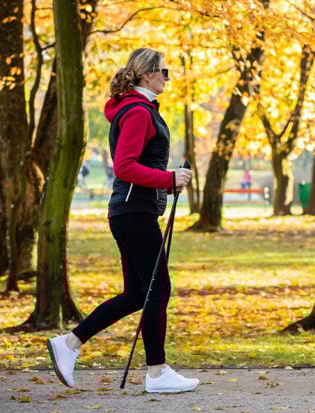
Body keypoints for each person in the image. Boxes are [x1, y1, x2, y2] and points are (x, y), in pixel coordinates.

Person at [47, 47, 198, 393]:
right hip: (134, 213)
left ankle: (69, 344)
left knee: (137, 294)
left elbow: (137, 166)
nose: (167, 78)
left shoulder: (138, 109)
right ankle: (157, 373)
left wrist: (168, 183)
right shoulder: (138, 112)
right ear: (148, 74)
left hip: (132, 211)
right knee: (158, 289)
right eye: (164, 71)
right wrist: (168, 178)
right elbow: (125, 166)